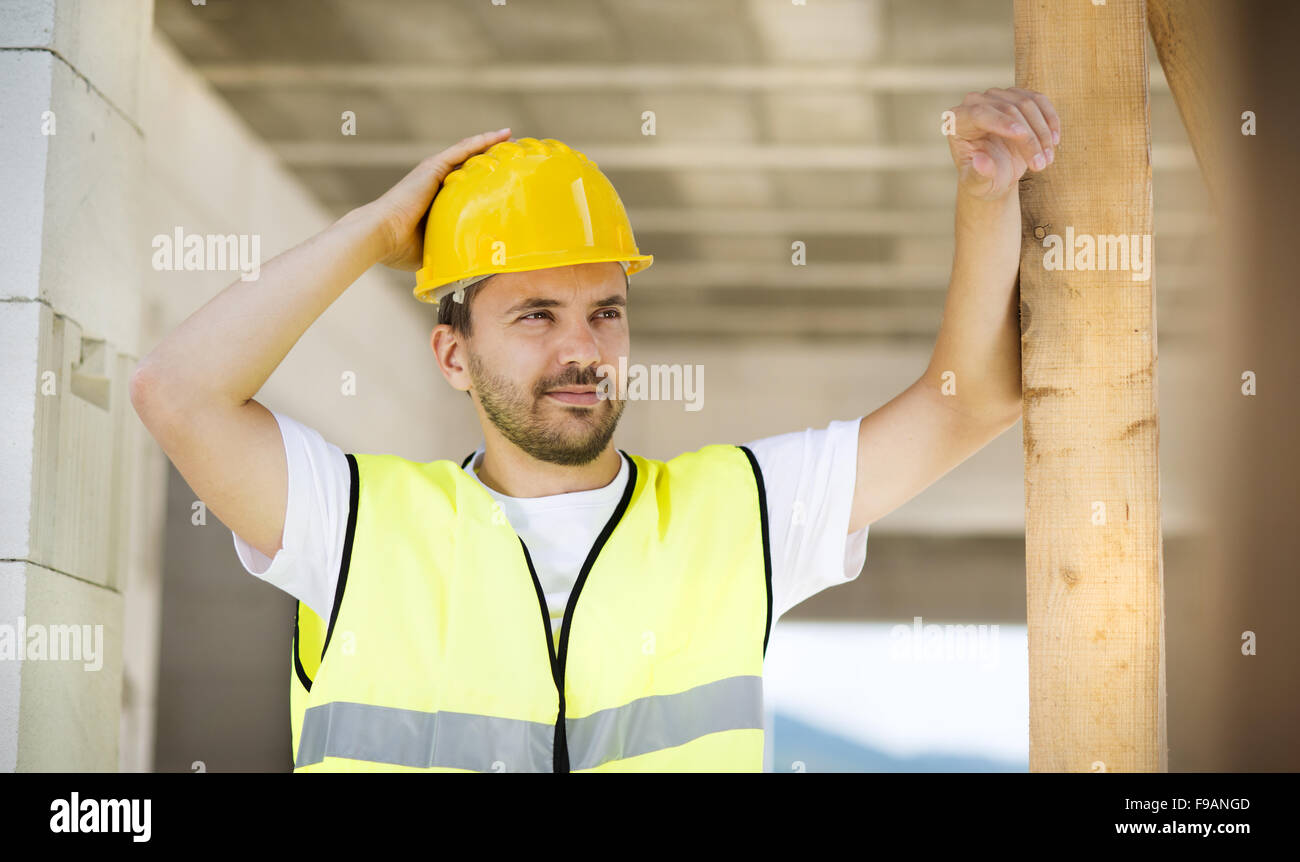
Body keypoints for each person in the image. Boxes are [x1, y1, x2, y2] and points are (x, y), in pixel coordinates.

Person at [130, 88, 1059, 773]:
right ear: (453, 356)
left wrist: (985, 198)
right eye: (536, 314)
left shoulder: (737, 514)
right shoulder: (357, 525)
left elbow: (968, 402)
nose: (584, 349)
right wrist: (375, 232)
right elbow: (176, 392)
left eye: (605, 312)